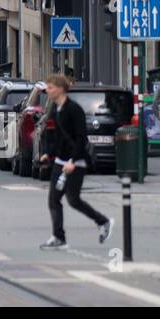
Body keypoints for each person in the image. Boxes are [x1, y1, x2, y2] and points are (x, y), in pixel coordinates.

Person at [38, 74, 113, 249]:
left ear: (60, 89)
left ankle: (103, 221)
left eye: (50, 87)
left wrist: (73, 161)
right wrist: (47, 154)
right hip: (61, 162)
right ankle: (59, 237)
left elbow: (81, 138)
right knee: (54, 199)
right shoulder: (56, 109)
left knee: (73, 200)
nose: (47, 91)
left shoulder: (74, 109)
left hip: (75, 162)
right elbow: (58, 137)